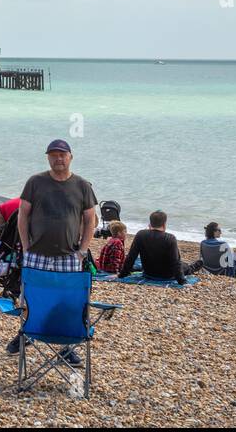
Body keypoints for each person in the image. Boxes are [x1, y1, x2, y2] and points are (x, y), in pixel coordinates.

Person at [12, 138, 98, 363]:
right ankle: (25, 334)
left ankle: (68, 346)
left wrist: (82, 250)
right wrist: (26, 246)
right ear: (48, 157)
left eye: (62, 154)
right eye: (53, 155)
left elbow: (90, 220)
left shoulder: (82, 186)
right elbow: (23, 215)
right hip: (37, 253)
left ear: (70, 157)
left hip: (69, 255)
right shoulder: (35, 182)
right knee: (29, 297)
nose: (58, 158)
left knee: (69, 300)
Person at [119, 211, 187, 284]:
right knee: (185, 266)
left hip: (148, 273)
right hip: (167, 275)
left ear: (150, 223)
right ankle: (199, 263)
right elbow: (176, 262)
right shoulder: (170, 238)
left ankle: (199, 263)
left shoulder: (140, 234)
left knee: (182, 265)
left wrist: (121, 275)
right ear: (164, 224)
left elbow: (131, 257)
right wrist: (182, 282)